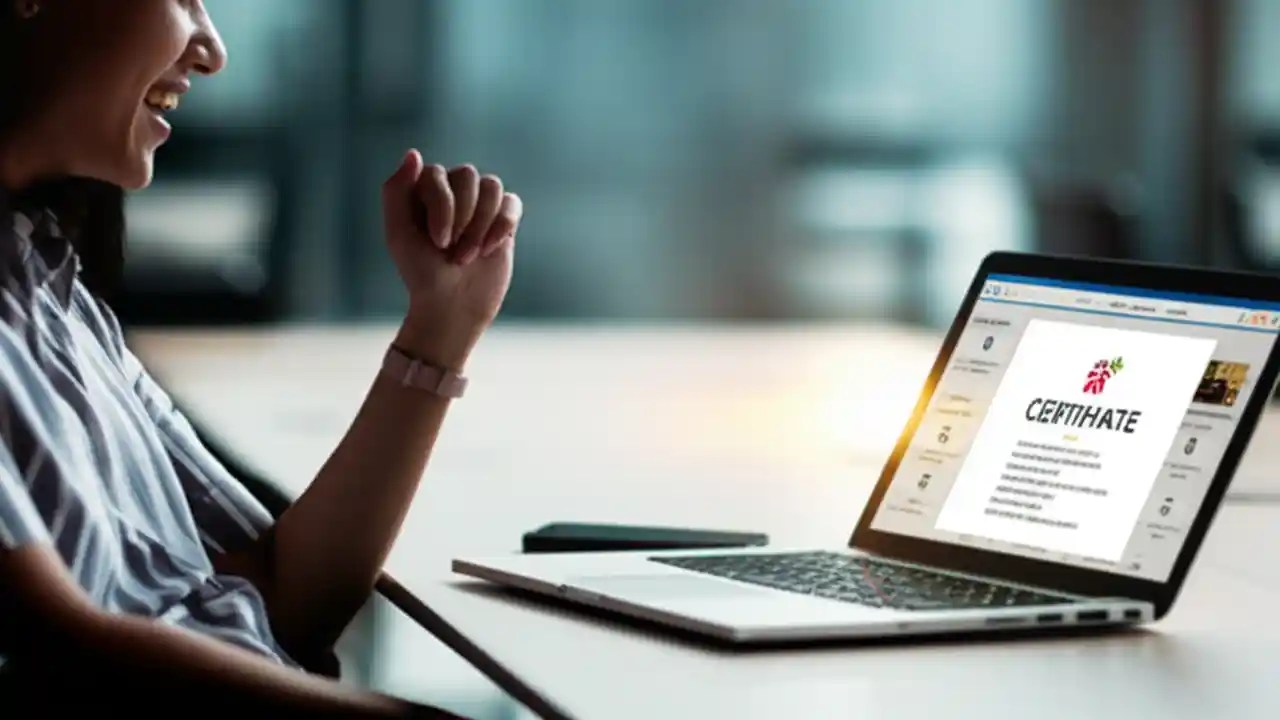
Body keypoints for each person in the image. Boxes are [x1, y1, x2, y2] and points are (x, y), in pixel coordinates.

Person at [0, 1, 522, 716]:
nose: (211, 50)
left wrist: (440, 327)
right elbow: (67, 654)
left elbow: (282, 593)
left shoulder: (50, 293)